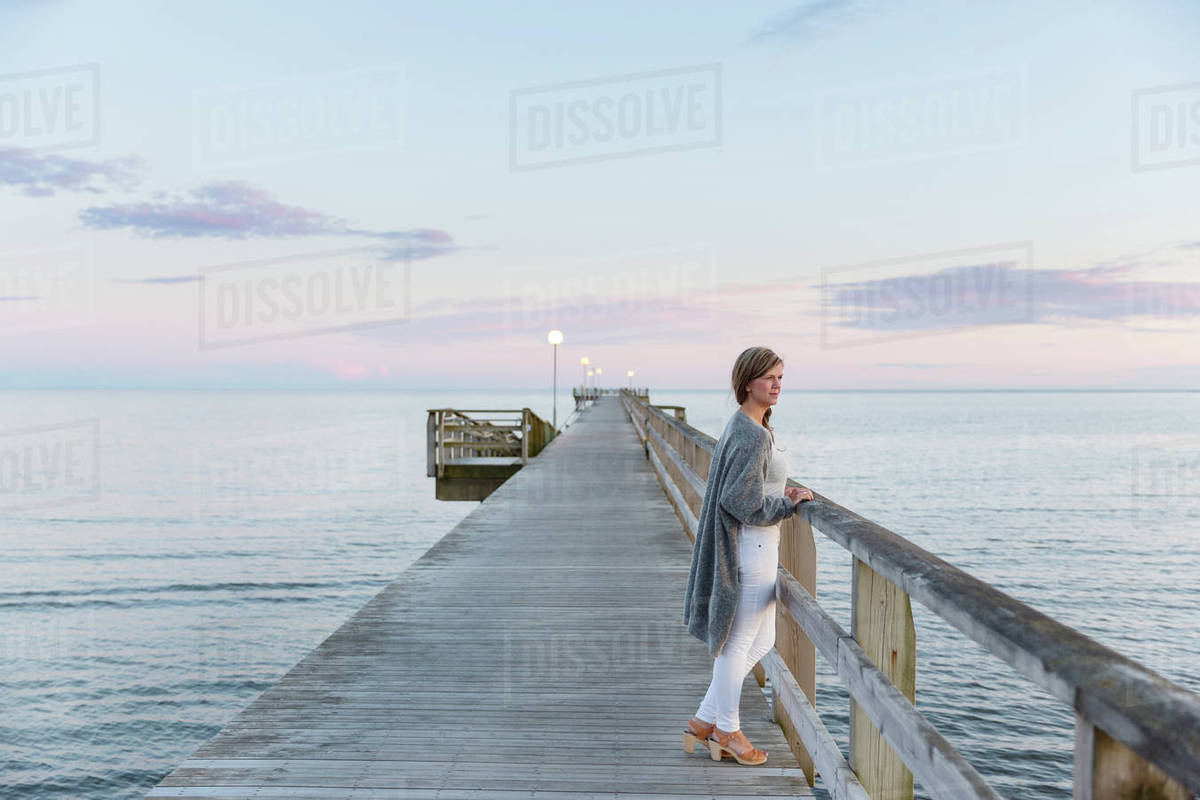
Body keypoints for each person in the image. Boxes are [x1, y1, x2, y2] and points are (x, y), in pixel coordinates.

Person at [681, 346, 814, 765]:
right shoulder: (752, 433)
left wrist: (782, 491)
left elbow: (751, 486)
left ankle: (703, 722)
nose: (776, 385)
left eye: (780, 377)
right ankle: (729, 731)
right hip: (752, 546)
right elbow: (740, 500)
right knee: (736, 643)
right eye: (769, 377)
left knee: (763, 640)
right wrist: (787, 506)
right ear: (747, 382)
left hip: (758, 544)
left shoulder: (746, 426)